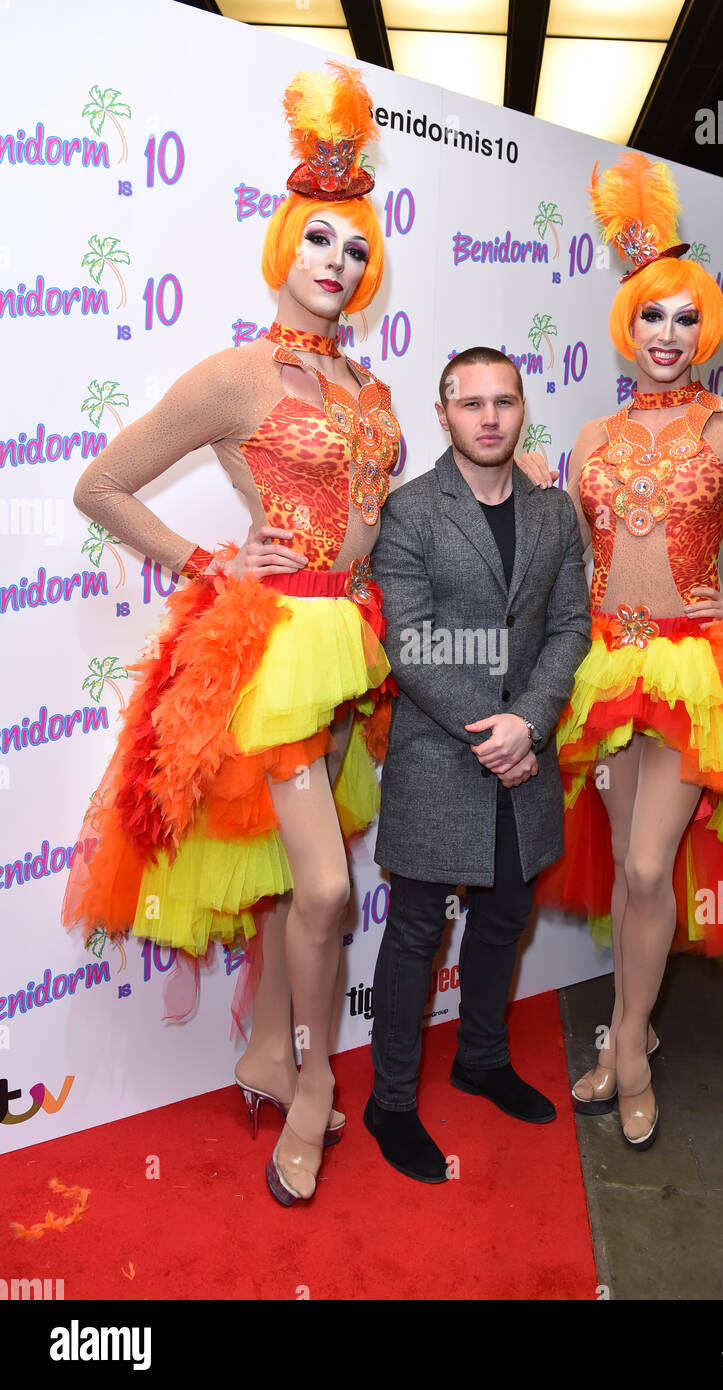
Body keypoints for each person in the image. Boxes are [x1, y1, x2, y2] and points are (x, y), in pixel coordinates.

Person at [61, 63, 402, 1205]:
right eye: (320, 241)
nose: (337, 265)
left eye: (355, 248)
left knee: (292, 878)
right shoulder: (236, 373)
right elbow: (102, 486)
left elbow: (381, 520)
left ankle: (262, 1046)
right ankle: (309, 1089)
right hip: (273, 652)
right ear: (284, 248)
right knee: (323, 892)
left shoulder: (371, 388)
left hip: (353, 644)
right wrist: (208, 559)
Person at [521, 152, 723, 1151]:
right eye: (649, 315)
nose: (667, 335)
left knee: (650, 864)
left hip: (691, 669)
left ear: (707, 328)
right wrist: (541, 496)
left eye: (685, 318)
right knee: (628, 867)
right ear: (626, 324)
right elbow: (584, 552)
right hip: (607, 671)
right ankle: (640, 1027)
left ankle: (624, 1049)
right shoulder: (593, 434)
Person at [363, 348, 591, 1183]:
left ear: (522, 408)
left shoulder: (555, 512)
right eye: (471, 404)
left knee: (503, 920)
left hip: (526, 755)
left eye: (504, 401)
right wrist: (488, 730)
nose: (489, 417)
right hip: (438, 753)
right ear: (443, 413)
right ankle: (389, 1104)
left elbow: (570, 627)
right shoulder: (411, 511)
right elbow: (408, 641)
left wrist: (526, 723)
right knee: (418, 933)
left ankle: (481, 1059)